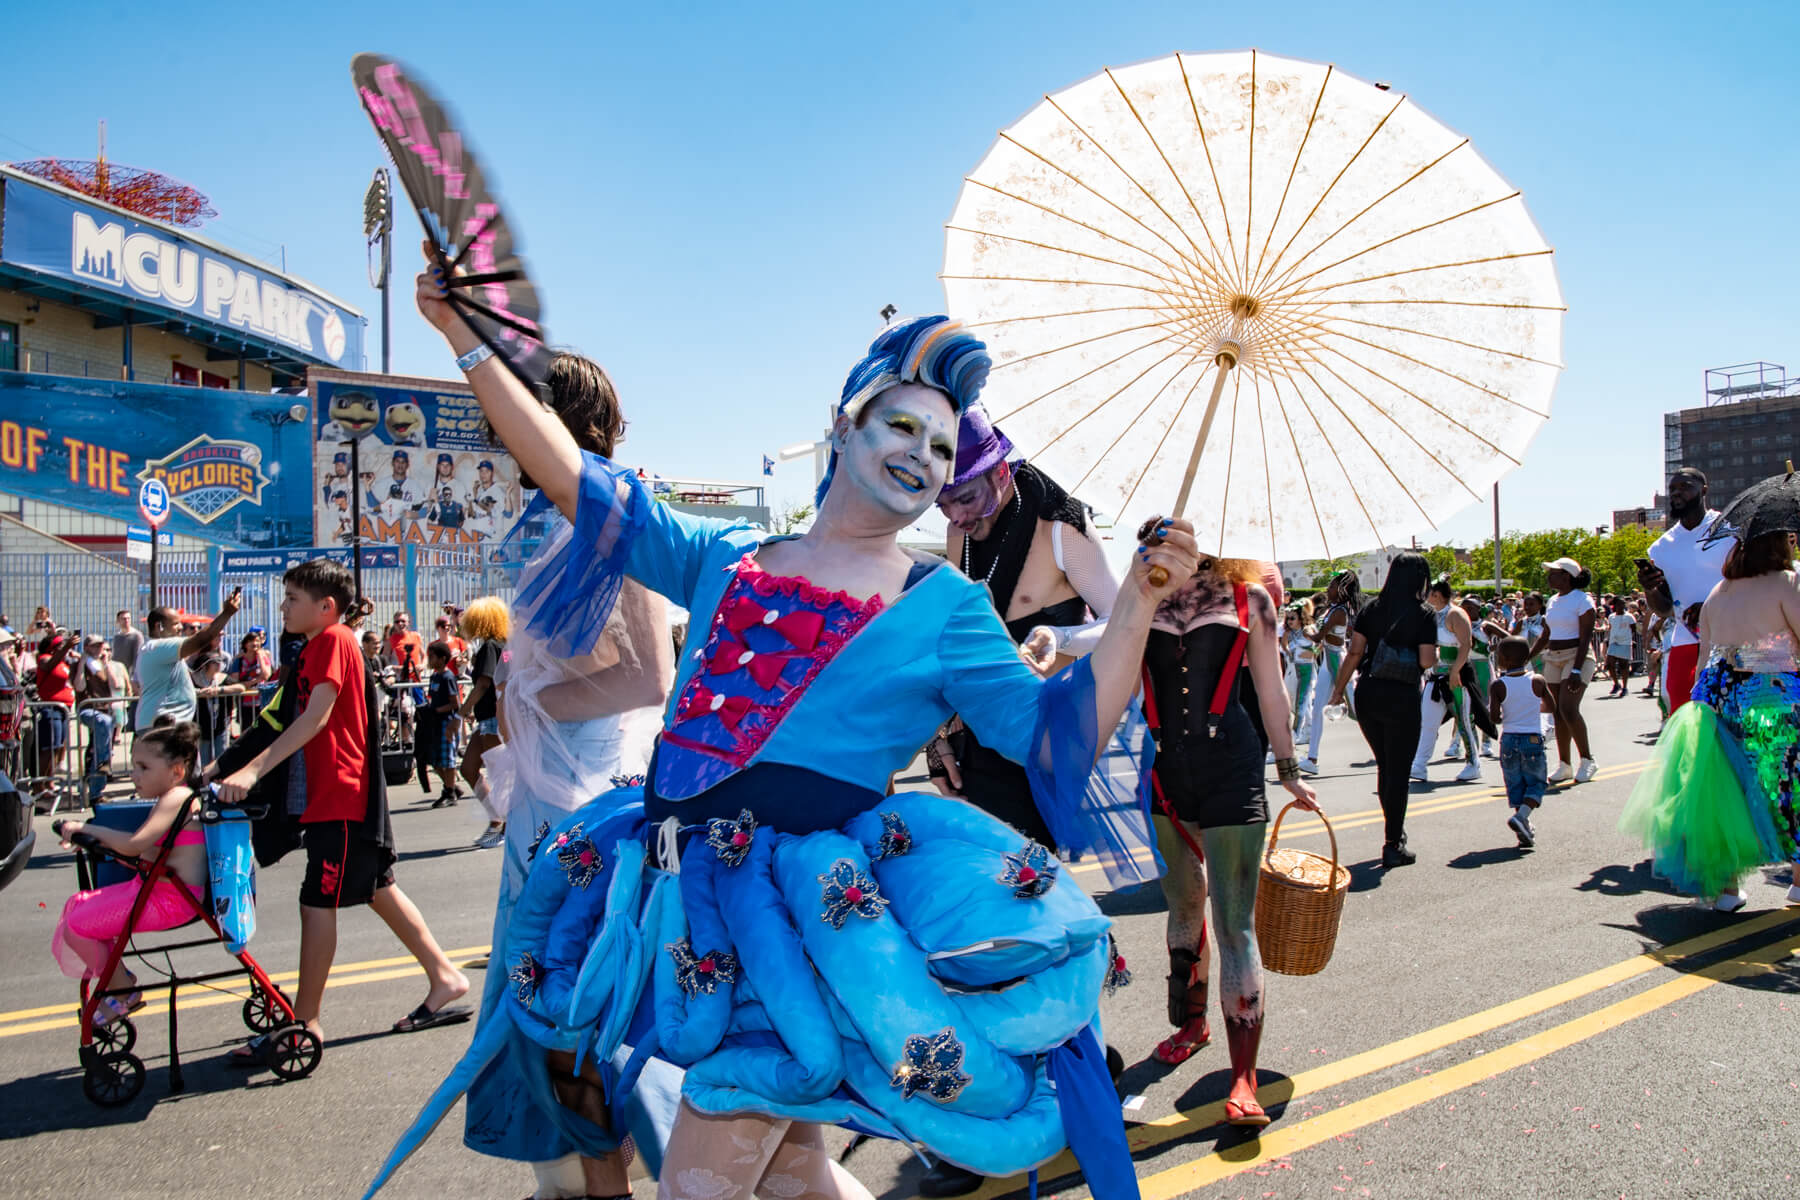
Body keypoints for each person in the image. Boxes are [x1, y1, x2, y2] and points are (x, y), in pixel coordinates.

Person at [373, 275, 1197, 1200]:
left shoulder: (946, 608)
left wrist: (1135, 607)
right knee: (790, 1181)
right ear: (843, 428)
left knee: (710, 1180)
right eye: (901, 427)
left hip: (799, 923)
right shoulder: (726, 559)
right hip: (683, 901)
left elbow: (1055, 738)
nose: (923, 456)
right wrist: (464, 341)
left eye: (941, 445)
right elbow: (574, 480)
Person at [457, 353, 675, 1200]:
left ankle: (603, 1182)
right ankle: (577, 1180)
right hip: (544, 811)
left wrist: (539, 689)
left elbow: (650, 677)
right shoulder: (552, 520)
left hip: (596, 809)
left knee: (584, 1013)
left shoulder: (621, 517)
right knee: (547, 1007)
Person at [216, 559, 470, 1059]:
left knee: (317, 902)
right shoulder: (320, 645)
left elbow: (314, 717)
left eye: (292, 598)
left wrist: (251, 772)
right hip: (338, 796)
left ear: (325, 607)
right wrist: (226, 764)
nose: (284, 606)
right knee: (379, 889)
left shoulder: (333, 641)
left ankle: (304, 1022)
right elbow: (282, 717)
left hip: (342, 795)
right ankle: (446, 977)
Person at [1141, 553, 1319, 1129]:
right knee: (1183, 903)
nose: (1156, 545)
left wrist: (1288, 768)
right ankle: (1192, 1026)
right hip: (1163, 771)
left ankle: (1244, 1077)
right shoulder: (1139, 598)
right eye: (1148, 538)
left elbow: (1271, 693)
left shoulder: (1251, 601)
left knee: (1235, 922)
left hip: (1233, 770)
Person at [927, 404, 1117, 850]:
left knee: (1025, 887)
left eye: (965, 497)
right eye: (943, 503)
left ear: (1000, 473)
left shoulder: (1062, 526)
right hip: (976, 741)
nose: (955, 516)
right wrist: (939, 743)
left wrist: (1060, 637)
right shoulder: (960, 534)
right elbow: (951, 645)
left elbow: (1120, 621)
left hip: (1045, 741)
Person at [1620, 529, 1800, 910]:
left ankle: (1728, 890)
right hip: (1772, 696)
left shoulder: (1720, 592)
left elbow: (1704, 662)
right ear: (1777, 545)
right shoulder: (1787, 582)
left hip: (1717, 695)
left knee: (1729, 789)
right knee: (1788, 784)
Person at [50, 723, 208, 1024]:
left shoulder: (176, 798)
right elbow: (146, 855)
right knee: (79, 906)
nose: (134, 775)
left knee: (76, 925)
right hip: (154, 892)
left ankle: (122, 989)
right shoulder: (171, 798)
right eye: (135, 766)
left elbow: (135, 845)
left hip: (171, 901)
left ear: (176, 771)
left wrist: (84, 828)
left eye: (144, 767)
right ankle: (119, 979)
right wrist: (97, 843)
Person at [1326, 553, 1437, 868]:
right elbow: (1427, 661)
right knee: (1399, 770)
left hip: (1369, 692)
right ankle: (1392, 842)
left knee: (1385, 765)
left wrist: (1338, 691)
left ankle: (1394, 834)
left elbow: (1354, 653)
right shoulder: (1424, 614)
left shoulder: (1371, 609)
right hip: (1402, 694)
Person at [1639, 467, 1731, 714]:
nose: (1677, 493)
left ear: (1703, 490)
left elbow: (1749, 582)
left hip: (1731, 639)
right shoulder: (1660, 548)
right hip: (1685, 640)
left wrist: (1710, 605)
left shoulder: (1730, 529)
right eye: (1672, 489)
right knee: (1682, 711)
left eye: (1685, 487)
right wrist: (1650, 590)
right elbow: (1666, 608)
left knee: (1727, 717)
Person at [1527, 558, 1597, 783]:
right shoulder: (1553, 601)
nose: (1549, 576)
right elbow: (1546, 634)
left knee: (1568, 708)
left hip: (1577, 657)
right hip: (1554, 658)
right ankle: (1565, 764)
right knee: (1556, 711)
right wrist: (1526, 656)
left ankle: (1587, 760)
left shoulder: (1583, 600)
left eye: (1553, 572)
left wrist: (1576, 670)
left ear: (1566, 576)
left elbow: (1586, 636)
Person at [1411, 579, 1481, 784]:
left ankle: (1473, 763)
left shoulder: (1456, 614)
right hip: (1435, 676)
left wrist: (1455, 672)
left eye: (1429, 593)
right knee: (1427, 722)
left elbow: (1466, 645)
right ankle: (1419, 764)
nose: (1426, 597)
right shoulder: (1431, 615)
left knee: (1464, 720)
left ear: (1438, 595)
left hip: (1457, 676)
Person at [135, 596, 241, 730]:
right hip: (162, 727)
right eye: (175, 624)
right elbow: (200, 640)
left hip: (169, 725)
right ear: (159, 626)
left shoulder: (159, 651)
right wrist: (226, 613)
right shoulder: (157, 647)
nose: (180, 627)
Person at [1489, 637, 1551, 848]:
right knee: (1537, 783)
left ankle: (1522, 822)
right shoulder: (1538, 681)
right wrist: (1532, 709)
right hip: (1531, 738)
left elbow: (1495, 717)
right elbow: (1550, 706)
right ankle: (1523, 818)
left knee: (1516, 785)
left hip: (1508, 739)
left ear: (1504, 660)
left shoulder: (1498, 685)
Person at [458, 598, 508, 850]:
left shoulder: (490, 646)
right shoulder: (502, 645)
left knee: (499, 775)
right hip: (491, 717)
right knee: (469, 767)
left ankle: (503, 824)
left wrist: (461, 712)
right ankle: (497, 819)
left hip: (492, 717)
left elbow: (483, 683)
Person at [1300, 570, 1361, 774]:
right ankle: (1312, 759)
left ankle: (1384, 751)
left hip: (1339, 662)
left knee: (1358, 712)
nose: (1328, 588)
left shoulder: (1339, 612)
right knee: (1318, 710)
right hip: (1328, 660)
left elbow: (1317, 637)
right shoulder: (1333, 609)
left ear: (1342, 589)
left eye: (1333, 586)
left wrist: (1306, 629)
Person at [71, 634, 131, 802]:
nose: (99, 649)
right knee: (102, 726)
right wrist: (82, 663)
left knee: (95, 748)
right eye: (95, 646)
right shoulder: (78, 665)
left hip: (106, 711)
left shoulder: (104, 666)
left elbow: (116, 685)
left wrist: (107, 665)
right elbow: (79, 686)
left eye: (101, 646)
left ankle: (95, 789)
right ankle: (103, 763)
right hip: (89, 710)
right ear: (86, 648)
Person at [31, 629, 77, 806]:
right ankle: (38, 786)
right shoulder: (43, 658)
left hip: (63, 709)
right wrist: (65, 648)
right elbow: (48, 666)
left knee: (58, 749)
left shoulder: (63, 660)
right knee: (49, 748)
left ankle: (49, 782)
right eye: (59, 645)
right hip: (50, 709)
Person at [416, 641, 463, 806]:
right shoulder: (435, 676)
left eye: (433, 656)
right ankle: (452, 787)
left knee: (448, 760)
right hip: (435, 724)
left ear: (442, 659)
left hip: (446, 722)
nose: (429, 659)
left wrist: (436, 711)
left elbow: (454, 703)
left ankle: (449, 793)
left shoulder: (447, 677)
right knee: (434, 760)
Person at [1603, 596, 1636, 697]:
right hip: (1614, 642)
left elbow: (1633, 629)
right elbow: (1611, 628)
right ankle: (1616, 684)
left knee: (1623, 665)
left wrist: (1631, 639)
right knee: (1609, 664)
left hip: (1625, 643)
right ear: (1615, 605)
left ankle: (1625, 687)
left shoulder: (1629, 617)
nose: (1622, 606)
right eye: (1620, 604)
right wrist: (1608, 640)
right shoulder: (1611, 617)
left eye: (1623, 604)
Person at [111, 610, 146, 680]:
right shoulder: (117, 636)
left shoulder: (136, 635)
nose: (126, 620)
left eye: (128, 618)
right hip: (117, 673)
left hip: (130, 675)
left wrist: (134, 676)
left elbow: (138, 656)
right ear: (118, 621)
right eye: (123, 619)